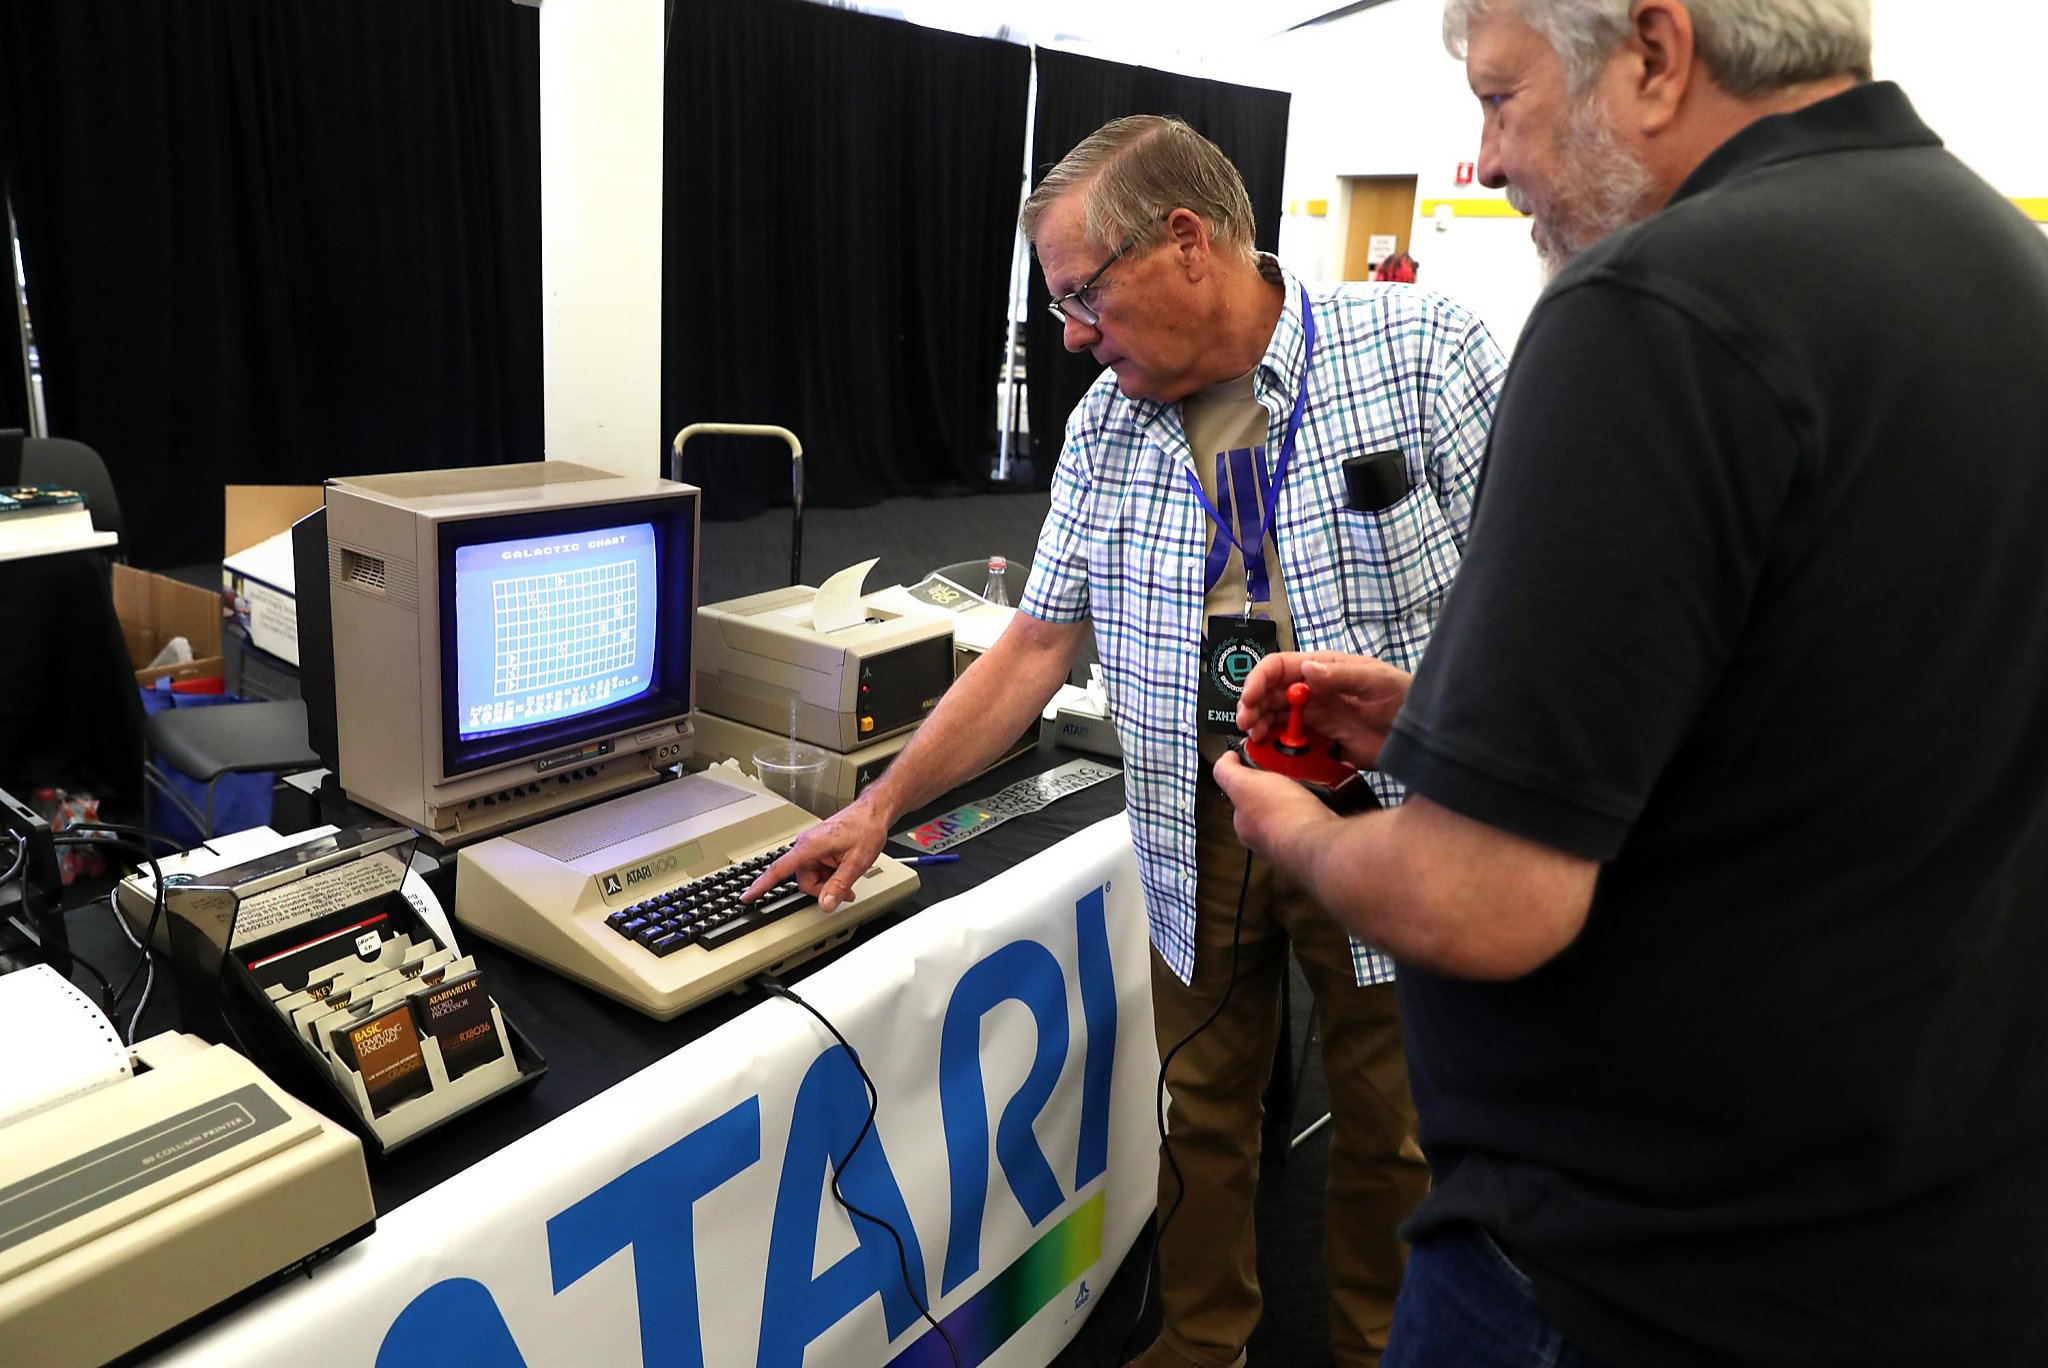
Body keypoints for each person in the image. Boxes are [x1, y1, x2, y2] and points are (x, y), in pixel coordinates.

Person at [1216, 2, 2048, 1365]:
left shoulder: (1655, 305)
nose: (1482, 162)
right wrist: (1447, 718)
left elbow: (1484, 902)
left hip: (1626, 1272)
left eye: (1500, 99)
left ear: (1654, 55)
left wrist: (1292, 827)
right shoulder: (2004, 264)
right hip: (1917, 1232)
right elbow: (1812, 707)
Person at [750, 115, 1507, 1367]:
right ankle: (1201, 1344)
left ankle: (1383, 1349)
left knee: (1393, 1129)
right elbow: (1035, 645)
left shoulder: (1425, 355)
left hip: (1393, 826)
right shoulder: (1108, 423)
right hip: (1195, 825)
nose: (1071, 337)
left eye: (1080, 297)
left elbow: (1541, 606)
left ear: (1185, 242)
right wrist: (879, 807)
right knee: (1202, 1114)